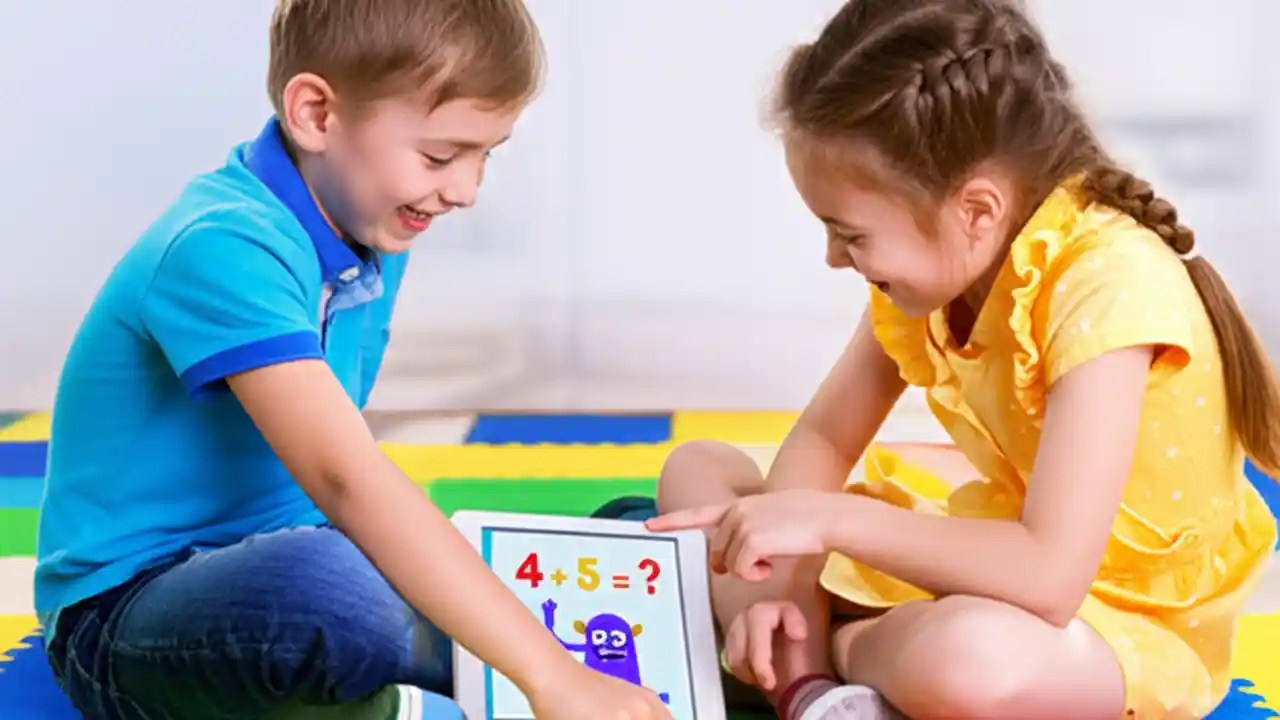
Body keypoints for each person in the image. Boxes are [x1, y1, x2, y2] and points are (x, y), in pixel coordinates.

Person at [33, 2, 672, 719]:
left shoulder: (367, 229)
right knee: (332, 592)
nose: (465, 190)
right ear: (315, 114)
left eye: (486, 154)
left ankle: (505, 659)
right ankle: (473, 682)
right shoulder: (223, 244)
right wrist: (549, 674)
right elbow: (346, 476)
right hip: (129, 618)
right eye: (440, 156)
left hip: (298, 549)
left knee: (642, 530)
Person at [646, 1, 1280, 718]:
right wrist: (782, 588)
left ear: (976, 209)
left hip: (1101, 620)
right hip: (986, 566)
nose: (832, 258)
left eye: (850, 236)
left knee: (970, 661)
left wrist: (821, 528)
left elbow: (1049, 576)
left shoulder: (1110, 284)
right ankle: (810, 669)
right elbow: (824, 439)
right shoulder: (946, 272)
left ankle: (827, 659)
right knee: (696, 468)